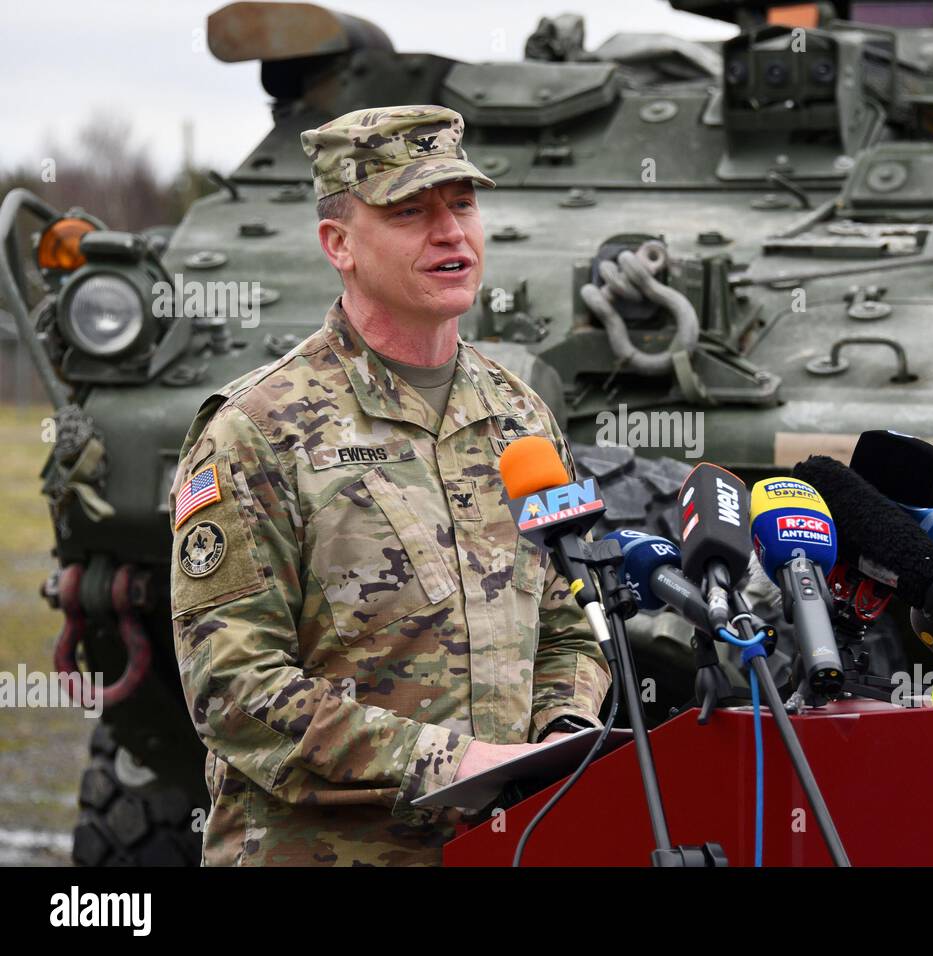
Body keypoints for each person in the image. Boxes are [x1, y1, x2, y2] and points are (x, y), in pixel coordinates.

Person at [169, 105, 611, 866]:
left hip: (506, 845)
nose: (451, 232)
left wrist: (562, 729)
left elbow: (573, 620)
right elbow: (234, 690)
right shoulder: (256, 429)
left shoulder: (521, 416)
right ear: (338, 243)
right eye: (410, 211)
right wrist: (446, 764)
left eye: (463, 204)